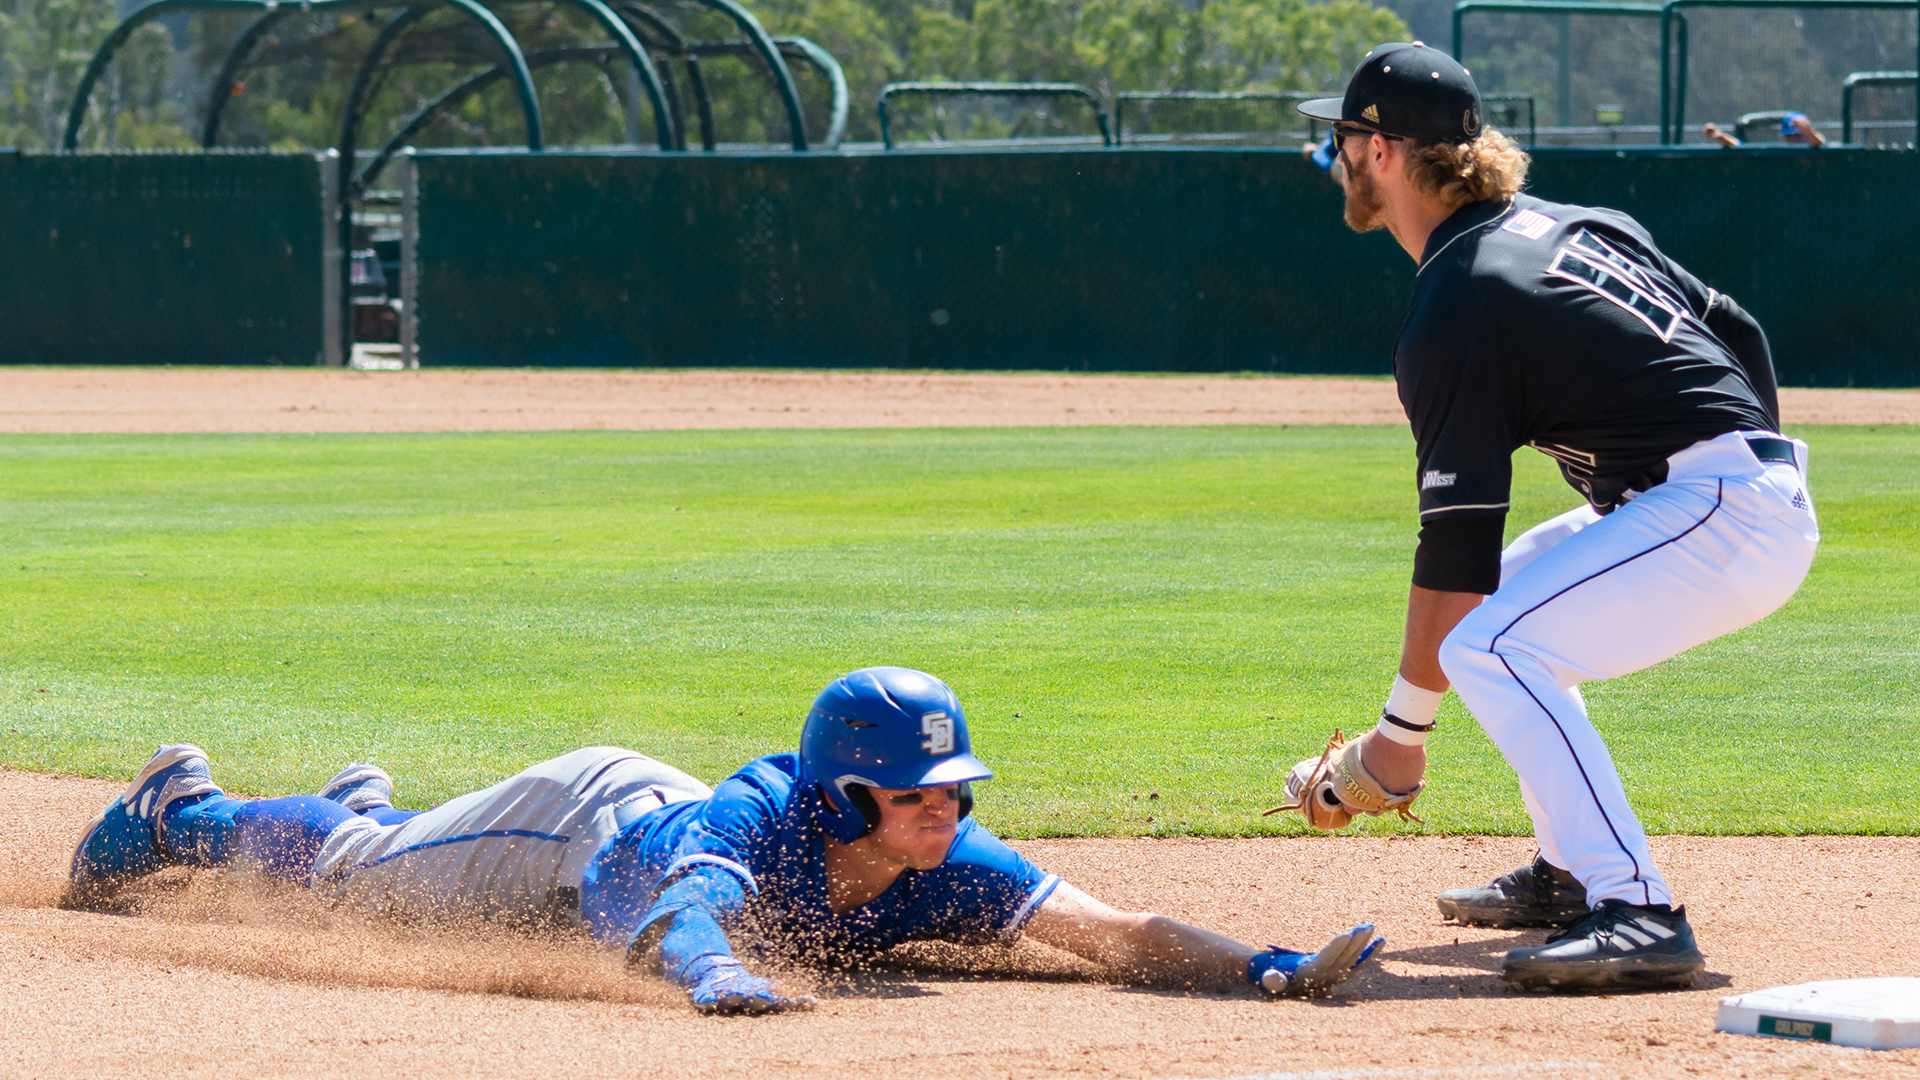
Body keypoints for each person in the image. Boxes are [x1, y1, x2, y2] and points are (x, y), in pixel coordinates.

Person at [1281, 43, 1818, 992]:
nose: (1337, 154)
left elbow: (1454, 546)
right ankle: (1571, 874)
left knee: (1492, 645)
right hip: (1719, 495)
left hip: (1719, 507)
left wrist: (1398, 743)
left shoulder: (1460, 299)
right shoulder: (1575, 223)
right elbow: (1735, 325)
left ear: (1385, 153)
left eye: (1344, 135)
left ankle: (1638, 909)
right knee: (1520, 602)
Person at [66, 666, 1384, 1013]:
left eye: (957, 791)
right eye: (923, 794)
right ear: (850, 795)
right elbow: (687, 917)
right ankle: (183, 812)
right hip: (575, 825)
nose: (951, 811)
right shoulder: (748, 823)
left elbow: (1116, 935)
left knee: (384, 850)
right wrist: (719, 978)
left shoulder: (951, 858)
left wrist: (1269, 968)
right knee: (364, 885)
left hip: (611, 863)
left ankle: (366, 810)